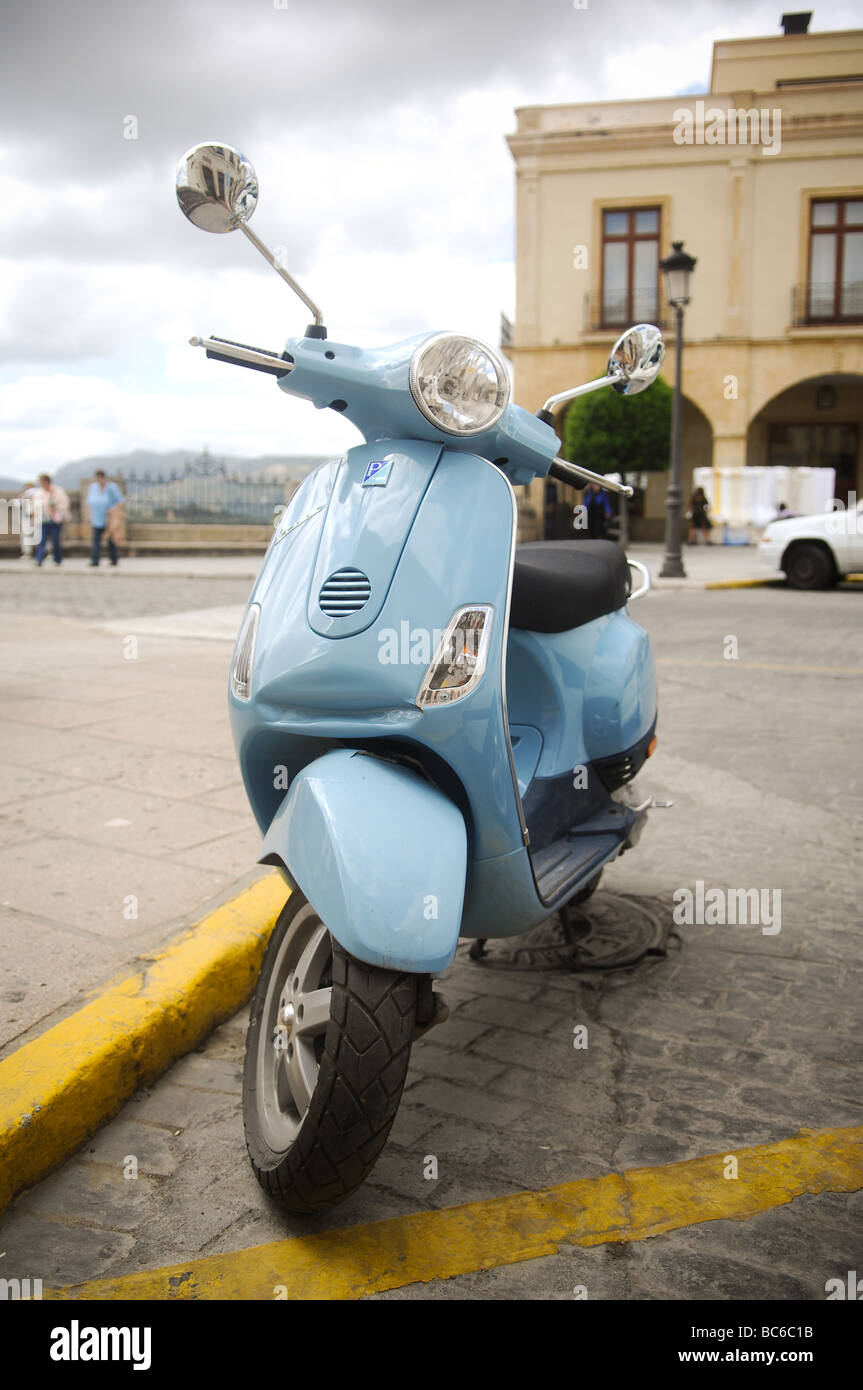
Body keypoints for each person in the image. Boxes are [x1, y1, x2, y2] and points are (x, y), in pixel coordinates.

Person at [86, 470, 124, 566]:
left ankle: (114, 559)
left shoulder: (112, 487)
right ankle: (95, 560)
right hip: (97, 518)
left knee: (111, 540)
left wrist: (113, 510)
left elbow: (119, 501)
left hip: (109, 519)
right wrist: (89, 516)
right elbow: (90, 503)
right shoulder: (93, 488)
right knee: (96, 541)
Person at [33, 473, 70, 566]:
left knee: (56, 540)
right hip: (43, 519)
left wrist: (56, 508)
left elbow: (65, 503)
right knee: (42, 540)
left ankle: (57, 559)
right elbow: (35, 505)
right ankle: (39, 559)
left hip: (55, 519)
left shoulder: (58, 491)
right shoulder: (39, 493)